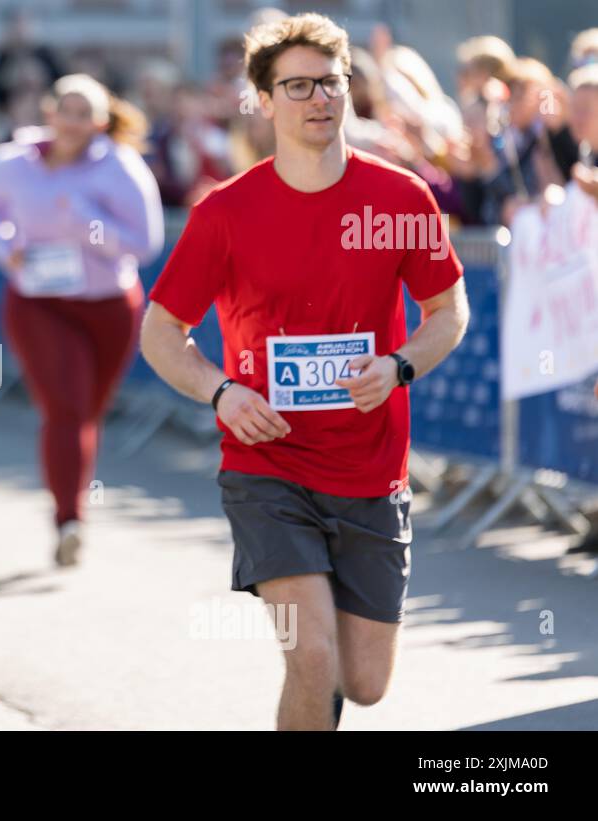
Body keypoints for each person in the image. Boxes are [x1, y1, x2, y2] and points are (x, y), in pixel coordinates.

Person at [140, 13, 469, 730]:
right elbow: (161, 332)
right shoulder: (226, 212)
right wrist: (220, 391)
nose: (319, 98)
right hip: (267, 465)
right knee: (312, 656)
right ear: (262, 100)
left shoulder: (400, 199)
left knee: (364, 679)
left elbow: (448, 310)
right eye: (297, 86)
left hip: (370, 471)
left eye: (331, 82)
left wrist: (399, 365)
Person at [0, 73, 164, 567]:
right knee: (65, 408)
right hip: (38, 303)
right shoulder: (12, 162)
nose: (74, 121)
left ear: (101, 121)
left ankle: (72, 504)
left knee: (88, 412)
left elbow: (145, 245)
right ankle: (69, 518)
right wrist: (7, 248)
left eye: (86, 113)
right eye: (66, 110)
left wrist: (87, 224)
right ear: (49, 112)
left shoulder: (120, 168)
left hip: (107, 306)